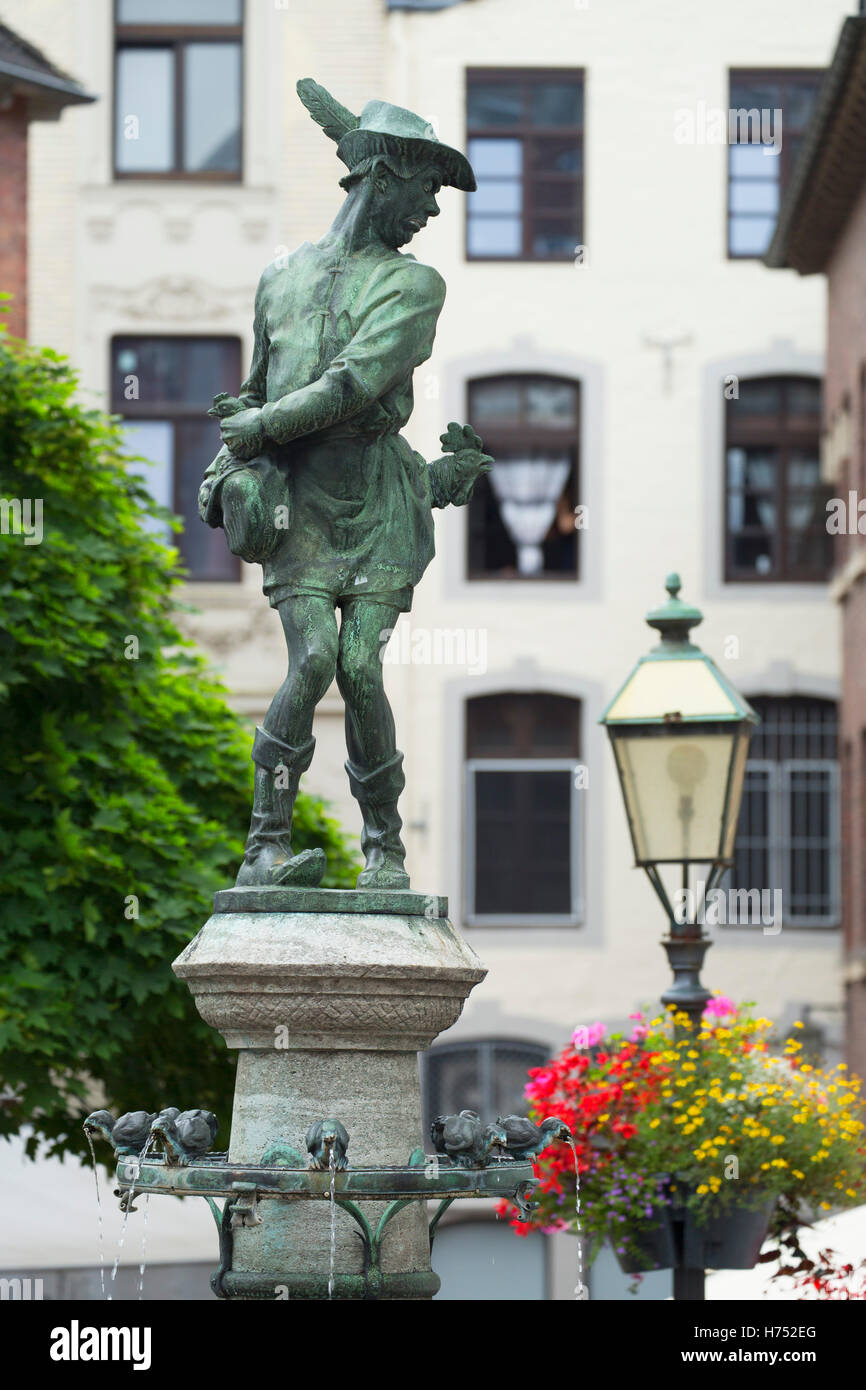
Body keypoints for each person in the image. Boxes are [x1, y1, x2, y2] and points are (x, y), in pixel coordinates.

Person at [199, 80, 492, 890]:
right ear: (385, 174)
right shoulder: (280, 277)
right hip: (297, 504)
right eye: (428, 187)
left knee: (361, 668)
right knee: (312, 661)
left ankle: (385, 849)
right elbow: (255, 388)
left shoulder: (415, 286)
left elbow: (351, 386)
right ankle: (265, 844)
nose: (432, 210)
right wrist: (227, 472)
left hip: (378, 504)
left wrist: (256, 431)